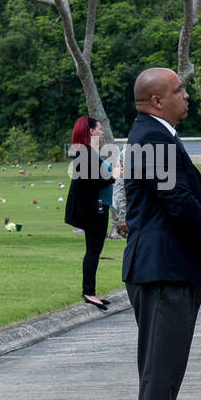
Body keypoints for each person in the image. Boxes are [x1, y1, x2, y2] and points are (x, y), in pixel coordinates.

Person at [122, 68, 201, 400]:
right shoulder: (150, 137)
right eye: (178, 90)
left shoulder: (156, 135)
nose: (186, 95)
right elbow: (177, 200)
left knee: (166, 365)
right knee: (160, 366)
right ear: (158, 101)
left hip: (168, 267)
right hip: (161, 269)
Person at [64, 115, 123, 310]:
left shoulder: (87, 152)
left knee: (94, 250)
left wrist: (113, 172)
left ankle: (91, 291)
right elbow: (95, 181)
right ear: (90, 131)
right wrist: (113, 175)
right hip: (94, 210)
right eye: (99, 129)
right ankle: (89, 292)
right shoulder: (85, 153)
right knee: (93, 251)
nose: (102, 131)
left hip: (97, 207)